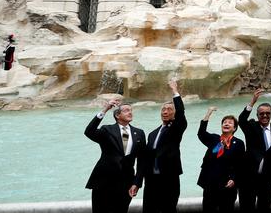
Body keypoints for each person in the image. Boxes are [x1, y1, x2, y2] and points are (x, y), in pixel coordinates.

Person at [84, 99, 146, 213]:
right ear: (117, 115)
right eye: (126, 110)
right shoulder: (107, 130)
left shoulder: (139, 133)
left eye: (131, 110)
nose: (130, 112)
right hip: (103, 181)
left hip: (126, 183)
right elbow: (89, 132)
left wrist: (136, 183)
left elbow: (142, 161)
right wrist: (105, 110)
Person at [140, 80, 187, 213]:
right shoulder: (152, 134)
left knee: (168, 209)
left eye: (169, 109)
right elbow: (146, 158)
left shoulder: (176, 128)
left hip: (169, 178)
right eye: (163, 109)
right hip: (151, 180)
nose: (165, 112)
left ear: (174, 113)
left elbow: (181, 112)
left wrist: (174, 91)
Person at [237, 89, 271, 212]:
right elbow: (241, 120)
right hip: (248, 179)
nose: (265, 115)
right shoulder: (251, 127)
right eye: (261, 113)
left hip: (268, 180)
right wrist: (252, 102)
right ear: (257, 115)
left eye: (268, 113)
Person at [198, 107, 245, 213]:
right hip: (210, 184)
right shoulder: (214, 139)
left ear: (234, 128)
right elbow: (201, 133)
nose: (226, 124)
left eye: (230, 123)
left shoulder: (239, 143)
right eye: (224, 122)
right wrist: (208, 113)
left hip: (227, 185)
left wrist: (234, 179)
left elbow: (240, 165)